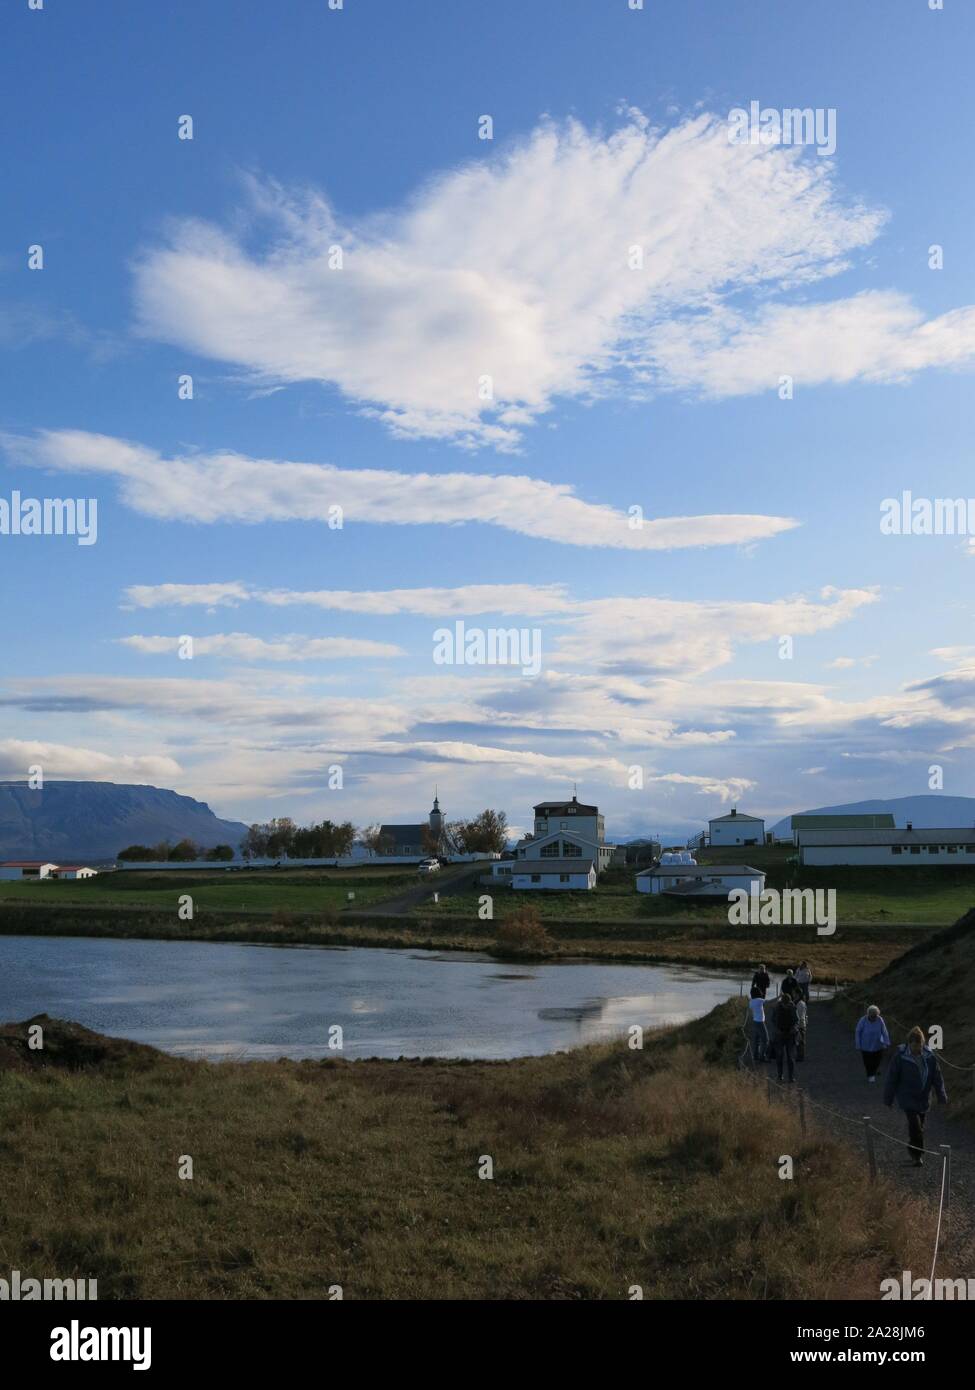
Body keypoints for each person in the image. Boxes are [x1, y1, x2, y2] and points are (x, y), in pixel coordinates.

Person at [883, 1026, 948, 1167]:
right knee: (915, 1126)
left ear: (922, 1044)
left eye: (918, 1045)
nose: (916, 1048)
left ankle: (913, 1148)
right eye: (913, 1045)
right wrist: (888, 1098)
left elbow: (937, 1077)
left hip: (924, 1098)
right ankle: (917, 1156)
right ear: (909, 1043)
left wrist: (941, 1095)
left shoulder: (930, 1057)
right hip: (907, 1097)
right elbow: (892, 1077)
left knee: (920, 1127)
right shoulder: (900, 1056)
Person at [854, 1005, 890, 1081]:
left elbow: (884, 1031)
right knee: (867, 1061)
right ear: (868, 1014)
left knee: (877, 1060)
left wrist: (886, 1042)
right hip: (865, 1045)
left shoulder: (880, 1019)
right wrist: (858, 1044)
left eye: (875, 1016)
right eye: (872, 1016)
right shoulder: (863, 1020)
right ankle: (870, 1074)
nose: (874, 1018)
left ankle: (873, 1072)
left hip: (878, 1045)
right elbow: (858, 1032)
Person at [771, 991, 798, 1083]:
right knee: (779, 1056)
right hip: (780, 1034)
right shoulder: (777, 1007)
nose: (786, 1005)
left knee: (790, 1057)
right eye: (784, 1004)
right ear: (782, 1002)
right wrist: (776, 1030)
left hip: (790, 1035)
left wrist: (794, 1028)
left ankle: (791, 1077)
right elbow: (773, 1019)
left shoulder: (793, 1007)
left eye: (787, 1004)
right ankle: (780, 1076)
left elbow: (796, 1020)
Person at [747, 986, 769, 1064]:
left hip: (755, 1022)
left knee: (756, 1040)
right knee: (765, 1040)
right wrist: (780, 997)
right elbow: (770, 1002)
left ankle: (755, 1056)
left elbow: (750, 1013)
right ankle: (762, 1057)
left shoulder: (751, 1001)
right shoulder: (759, 1000)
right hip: (760, 1022)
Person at [795, 995, 808, 1062]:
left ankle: (800, 1057)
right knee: (801, 1041)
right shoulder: (803, 1003)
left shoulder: (799, 1004)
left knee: (799, 1041)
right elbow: (805, 1015)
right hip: (803, 1024)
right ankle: (800, 1056)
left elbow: (799, 1016)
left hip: (800, 1024)